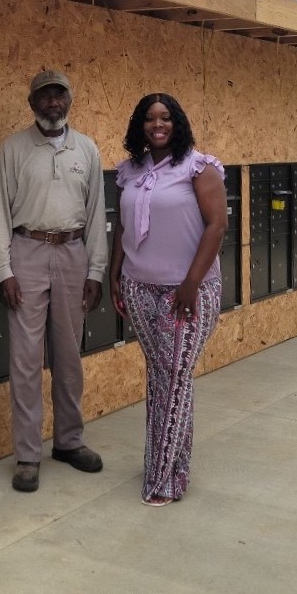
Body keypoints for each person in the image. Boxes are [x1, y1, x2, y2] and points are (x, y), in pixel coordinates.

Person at [0, 69, 108, 493]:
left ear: (70, 100)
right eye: (44, 96)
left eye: (59, 94)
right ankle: (27, 454)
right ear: (32, 104)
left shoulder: (87, 150)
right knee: (25, 360)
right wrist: (4, 270)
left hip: (73, 253)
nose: (52, 102)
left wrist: (96, 270)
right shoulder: (14, 149)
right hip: (28, 251)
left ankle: (69, 442)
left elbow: (96, 215)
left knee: (69, 356)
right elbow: (0, 212)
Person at [109, 92, 227, 507]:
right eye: (148, 119)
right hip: (139, 286)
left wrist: (191, 283)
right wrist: (114, 275)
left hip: (188, 292)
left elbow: (216, 226)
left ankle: (160, 478)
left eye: (165, 118)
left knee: (175, 377)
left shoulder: (200, 167)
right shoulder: (130, 171)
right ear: (139, 126)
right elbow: (124, 230)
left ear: (177, 122)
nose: (157, 125)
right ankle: (173, 466)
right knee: (162, 377)